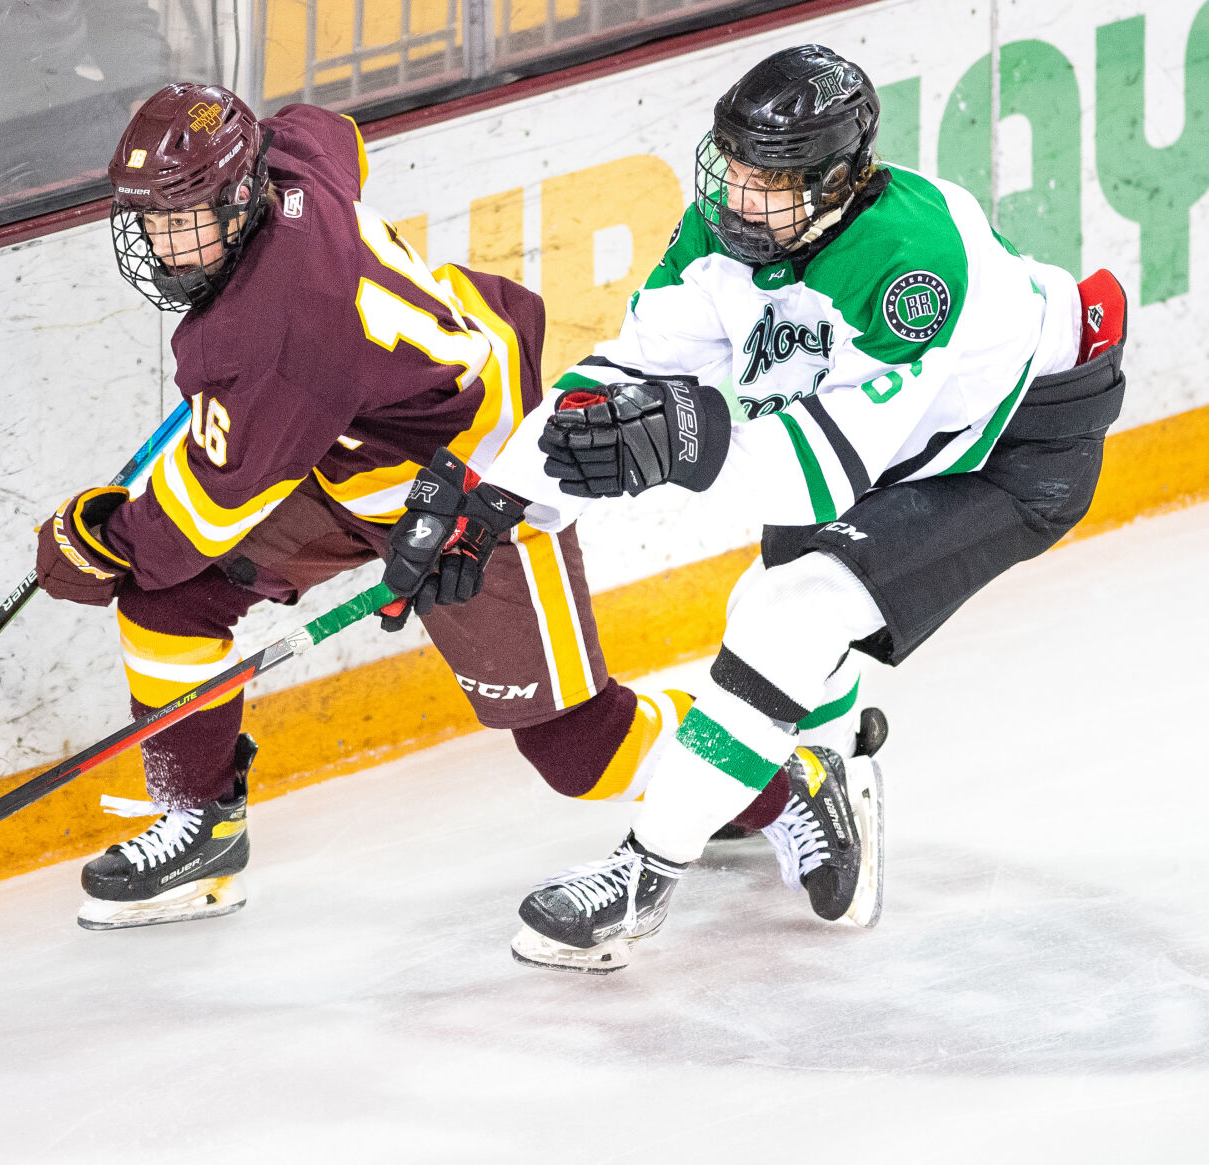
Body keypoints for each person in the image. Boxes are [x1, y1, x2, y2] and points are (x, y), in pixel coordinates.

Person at [382, 44, 1126, 973]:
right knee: (787, 600)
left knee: (790, 613)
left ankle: (641, 879)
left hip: (1010, 450)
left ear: (839, 180)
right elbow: (627, 372)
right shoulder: (730, 227)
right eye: (732, 164)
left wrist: (677, 452)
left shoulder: (912, 263)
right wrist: (497, 497)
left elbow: (823, 474)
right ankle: (832, 767)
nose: (738, 192)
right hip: (878, 424)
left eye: (769, 178)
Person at [32, 82, 747, 931]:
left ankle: (778, 773)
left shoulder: (283, 339)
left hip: (478, 473)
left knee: (578, 750)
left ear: (239, 191)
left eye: (182, 217)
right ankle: (203, 828)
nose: (162, 243)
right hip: (345, 441)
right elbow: (340, 134)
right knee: (171, 604)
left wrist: (96, 543)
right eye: (150, 218)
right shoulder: (289, 152)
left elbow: (199, 519)